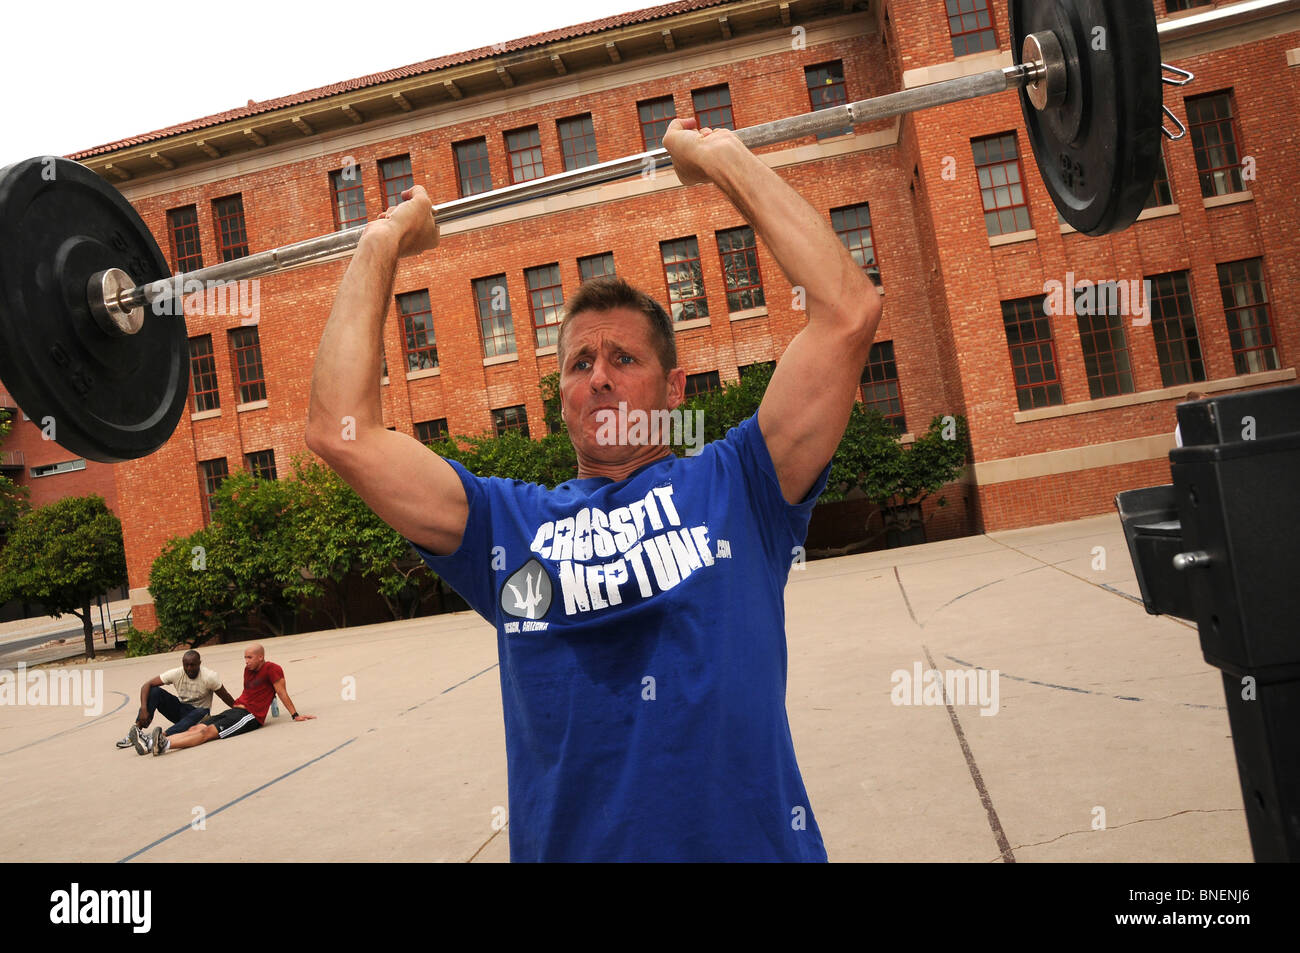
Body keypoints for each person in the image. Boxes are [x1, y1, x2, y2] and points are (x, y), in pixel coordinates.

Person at [305, 116, 881, 860]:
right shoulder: (504, 526)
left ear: (675, 387)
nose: (600, 375)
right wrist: (380, 241)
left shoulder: (739, 482)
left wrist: (722, 159)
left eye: (623, 358)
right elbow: (339, 428)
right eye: (579, 364)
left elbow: (848, 311)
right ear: (561, 397)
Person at [137, 644, 315, 756]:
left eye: (249, 657)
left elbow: (281, 691)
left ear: (261, 657)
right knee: (196, 727)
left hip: (250, 716)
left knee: (206, 734)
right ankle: (151, 743)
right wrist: (235, 704)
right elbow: (251, 692)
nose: (246, 661)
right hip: (236, 710)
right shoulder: (248, 670)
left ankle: (165, 744)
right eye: (245, 657)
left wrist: (295, 715)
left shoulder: (272, 668)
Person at [116, 650, 235, 752]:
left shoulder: (209, 676)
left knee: (201, 711)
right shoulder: (177, 673)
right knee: (155, 691)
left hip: (200, 715)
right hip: (181, 711)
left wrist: (239, 709)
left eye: (193, 665)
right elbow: (147, 685)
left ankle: (158, 738)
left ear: (199, 663)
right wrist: (143, 708)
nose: (189, 668)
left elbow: (225, 696)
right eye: (186, 665)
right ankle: (135, 732)